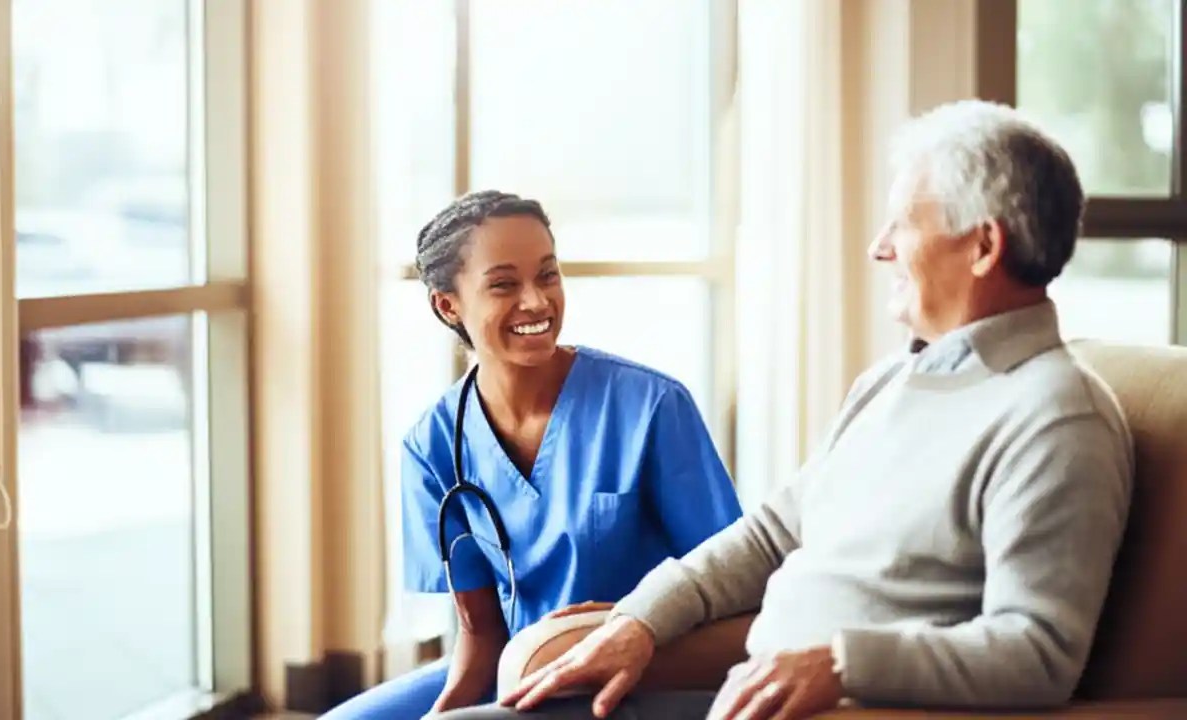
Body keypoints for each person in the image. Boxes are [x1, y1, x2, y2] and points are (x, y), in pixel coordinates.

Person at [441, 100, 1135, 719]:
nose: (880, 247)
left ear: (983, 246)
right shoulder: (896, 379)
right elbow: (772, 536)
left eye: (904, 224)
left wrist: (838, 663)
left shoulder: (1057, 416)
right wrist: (639, 622)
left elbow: (1039, 653)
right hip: (743, 691)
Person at [320, 191, 743, 718]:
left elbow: (735, 586)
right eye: (503, 284)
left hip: (642, 664)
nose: (537, 302)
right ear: (447, 305)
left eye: (547, 275)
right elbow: (481, 637)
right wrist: (442, 714)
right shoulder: (432, 445)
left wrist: (631, 617)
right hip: (518, 665)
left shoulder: (651, 407)